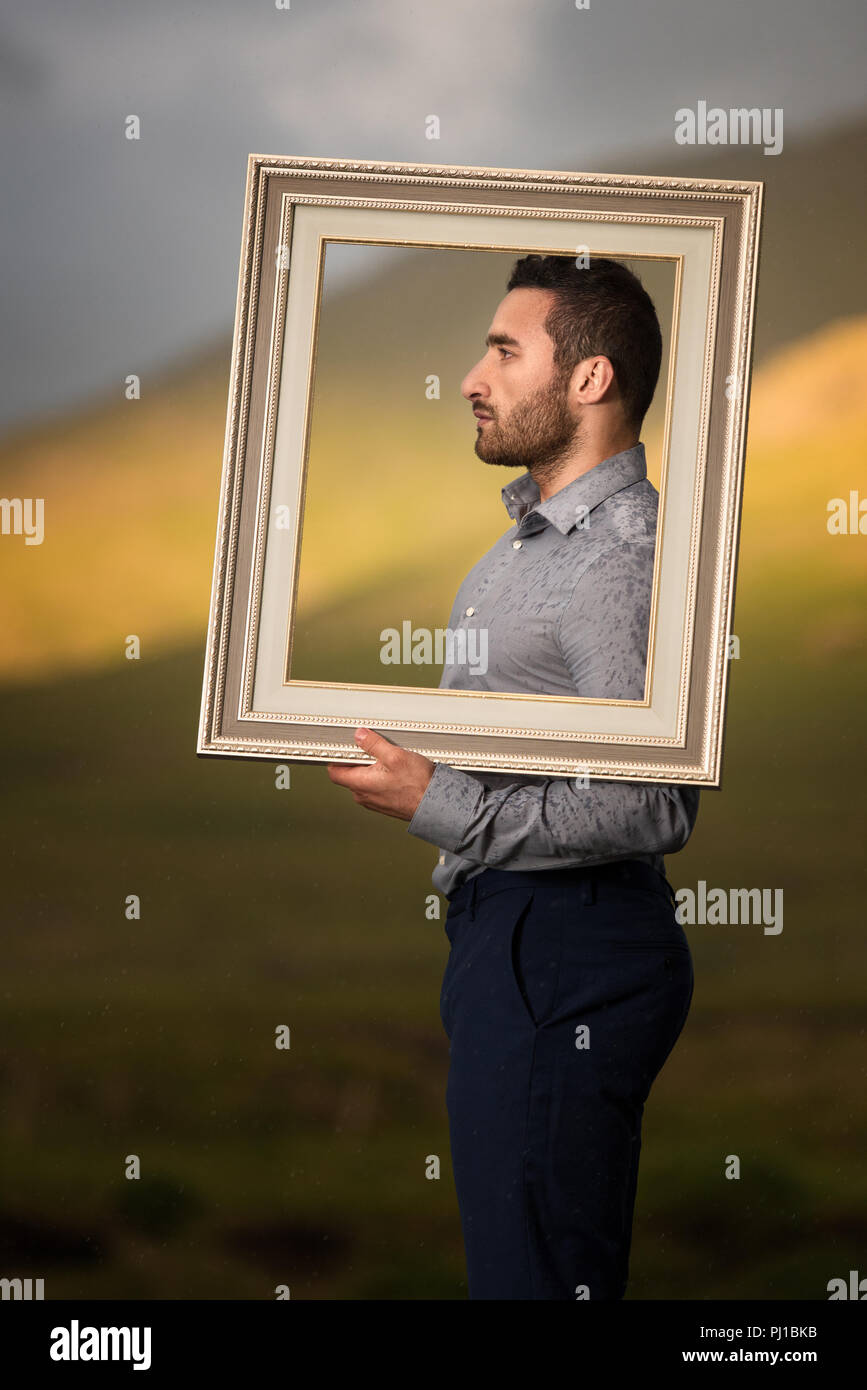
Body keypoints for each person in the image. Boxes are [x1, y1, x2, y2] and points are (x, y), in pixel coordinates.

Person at [327, 253, 699, 1300]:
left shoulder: (621, 557)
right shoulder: (518, 555)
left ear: (588, 380)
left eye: (503, 349)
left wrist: (435, 801)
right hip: (512, 940)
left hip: (567, 942)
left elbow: (650, 800)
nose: (471, 378)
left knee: (534, 1283)